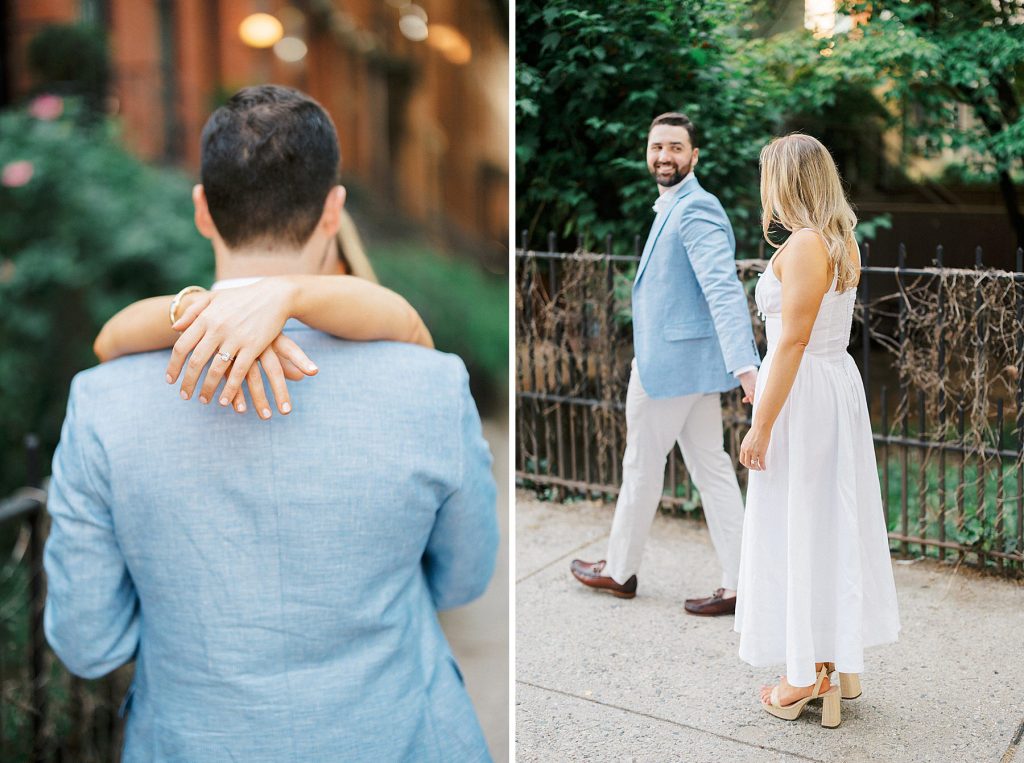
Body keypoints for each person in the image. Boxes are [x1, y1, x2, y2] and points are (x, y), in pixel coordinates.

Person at [43, 84, 499, 761]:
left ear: (202, 209)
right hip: (403, 736)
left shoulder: (102, 402)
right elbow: (463, 577)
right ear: (332, 210)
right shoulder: (431, 383)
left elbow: (88, 640)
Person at [734, 133, 900, 727]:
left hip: (804, 394)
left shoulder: (806, 244)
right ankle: (837, 664)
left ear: (789, 181)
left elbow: (793, 342)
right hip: (831, 386)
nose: (765, 190)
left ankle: (803, 676)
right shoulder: (840, 237)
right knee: (827, 520)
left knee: (798, 524)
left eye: (770, 177)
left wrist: (761, 425)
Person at [570, 112, 761, 616]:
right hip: (689, 367)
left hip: (672, 370)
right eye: (657, 147)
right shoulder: (673, 206)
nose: (664, 156)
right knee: (712, 469)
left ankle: (620, 569)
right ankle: (745, 583)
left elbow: (723, 290)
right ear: (647, 152)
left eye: (676, 148)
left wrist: (746, 367)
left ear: (694, 156)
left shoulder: (696, 209)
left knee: (642, 464)